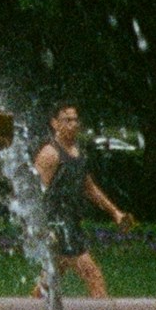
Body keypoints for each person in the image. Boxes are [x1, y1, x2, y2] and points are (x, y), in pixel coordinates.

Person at [33, 102, 133, 297]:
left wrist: (115, 212)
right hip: (59, 227)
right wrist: (45, 229)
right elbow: (36, 194)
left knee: (48, 282)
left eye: (75, 119)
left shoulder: (77, 152)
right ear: (55, 123)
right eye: (67, 120)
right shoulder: (50, 154)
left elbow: (89, 187)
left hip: (71, 224)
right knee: (93, 276)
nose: (73, 124)